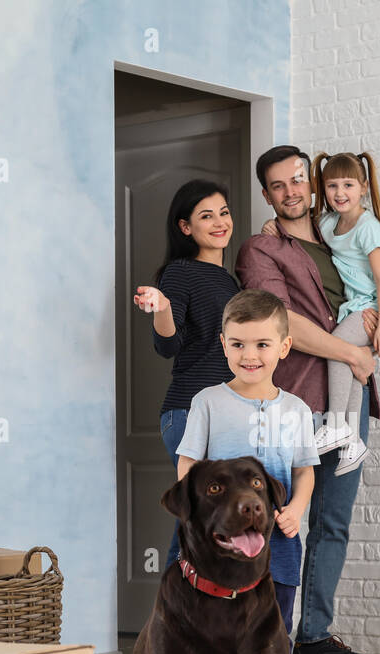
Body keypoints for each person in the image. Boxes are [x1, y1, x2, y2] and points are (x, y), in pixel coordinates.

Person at [235, 145, 380, 654]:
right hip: (299, 398)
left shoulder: (338, 234)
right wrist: (352, 353)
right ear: (266, 195)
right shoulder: (259, 250)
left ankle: (314, 636)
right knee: (283, 516)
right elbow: (282, 325)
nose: (291, 191)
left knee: (335, 518)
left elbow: (374, 276)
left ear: (311, 184)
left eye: (298, 180)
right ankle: (264, 638)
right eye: (278, 185)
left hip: (351, 394)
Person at [173, 289, 319, 632]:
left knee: (275, 631)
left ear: (284, 347)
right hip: (221, 540)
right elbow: (187, 464)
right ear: (224, 345)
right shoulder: (207, 402)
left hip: (277, 543)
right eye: (238, 344)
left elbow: (305, 472)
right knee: (216, 630)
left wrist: (296, 510)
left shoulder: (296, 409)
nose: (249, 355)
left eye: (262, 345)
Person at [265, 150, 380, 476]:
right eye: (332, 186)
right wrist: (273, 225)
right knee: (348, 356)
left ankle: (336, 424)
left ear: (363, 188)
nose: (340, 193)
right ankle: (351, 441)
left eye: (348, 185)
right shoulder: (329, 223)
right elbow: (299, 223)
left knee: (338, 348)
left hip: (374, 307)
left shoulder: (369, 229)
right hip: (356, 307)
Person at [134, 180, 241, 570]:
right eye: (206, 216)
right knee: (198, 521)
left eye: (223, 212)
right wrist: (161, 307)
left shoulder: (230, 281)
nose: (219, 222)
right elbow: (168, 345)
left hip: (225, 412)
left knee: (213, 524)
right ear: (185, 227)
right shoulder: (180, 273)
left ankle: (198, 621)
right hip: (190, 412)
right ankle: (173, 622)